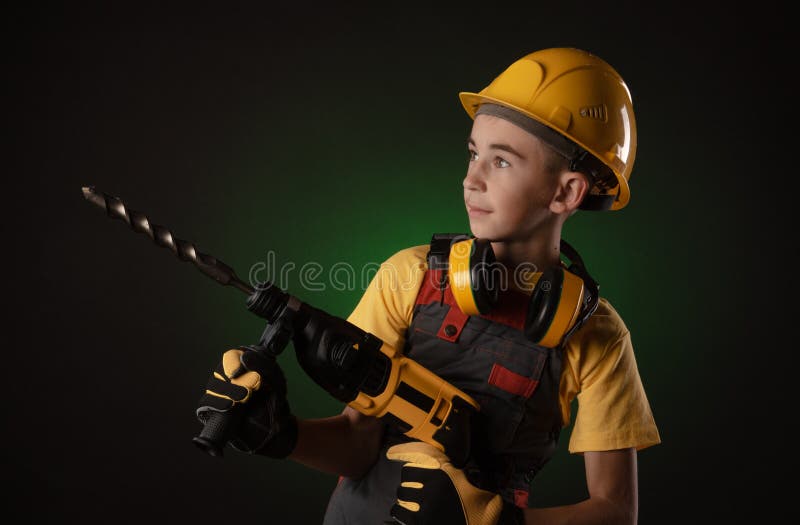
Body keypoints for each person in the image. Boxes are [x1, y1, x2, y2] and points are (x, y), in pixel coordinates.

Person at [196, 47, 661, 524]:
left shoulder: (599, 336)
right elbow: (358, 446)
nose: (470, 179)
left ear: (566, 191)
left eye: (501, 162)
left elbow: (616, 511)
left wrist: (496, 523)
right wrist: (279, 434)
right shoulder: (409, 276)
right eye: (473, 152)